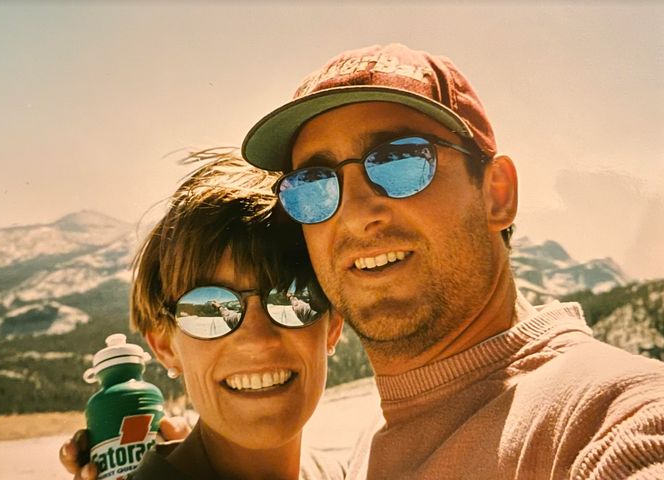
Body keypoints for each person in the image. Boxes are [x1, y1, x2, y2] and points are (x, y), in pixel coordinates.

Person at [240, 43, 664, 479]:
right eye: (312, 183)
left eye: (399, 160)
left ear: (498, 193)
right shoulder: (373, 444)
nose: (353, 214)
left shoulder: (609, 419)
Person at [59, 151, 345, 479]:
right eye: (209, 307)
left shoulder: (346, 472)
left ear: (332, 322)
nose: (257, 341)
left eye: (292, 298)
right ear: (165, 345)